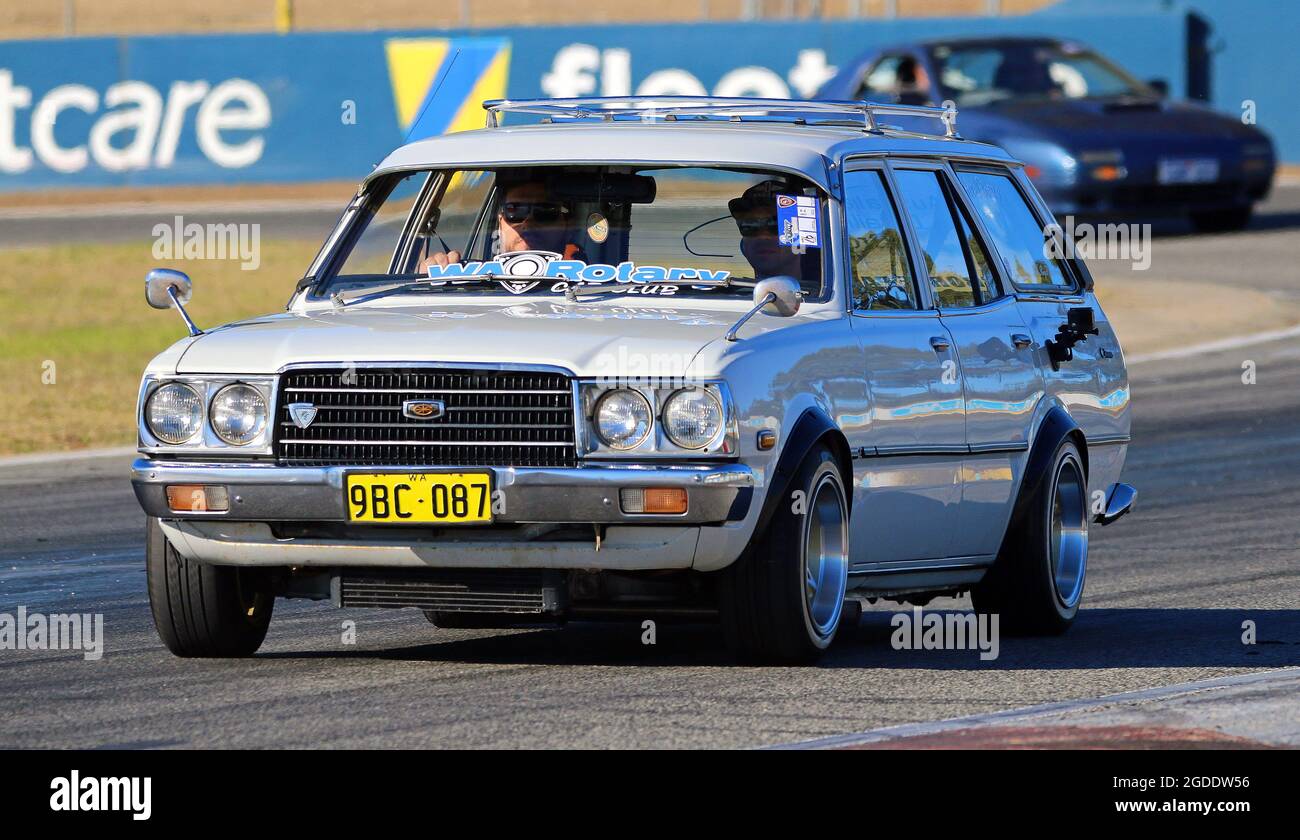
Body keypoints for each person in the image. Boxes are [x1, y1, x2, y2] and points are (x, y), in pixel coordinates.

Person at [424, 179, 581, 269]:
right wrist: (434, 274)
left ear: (568, 226)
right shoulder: (469, 281)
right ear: (500, 221)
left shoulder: (595, 289)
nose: (528, 222)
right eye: (515, 210)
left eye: (545, 212)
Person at [728, 179, 806, 282]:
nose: (763, 236)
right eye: (750, 225)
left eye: (776, 224)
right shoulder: (717, 296)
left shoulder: (830, 294)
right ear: (743, 245)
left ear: (804, 238)